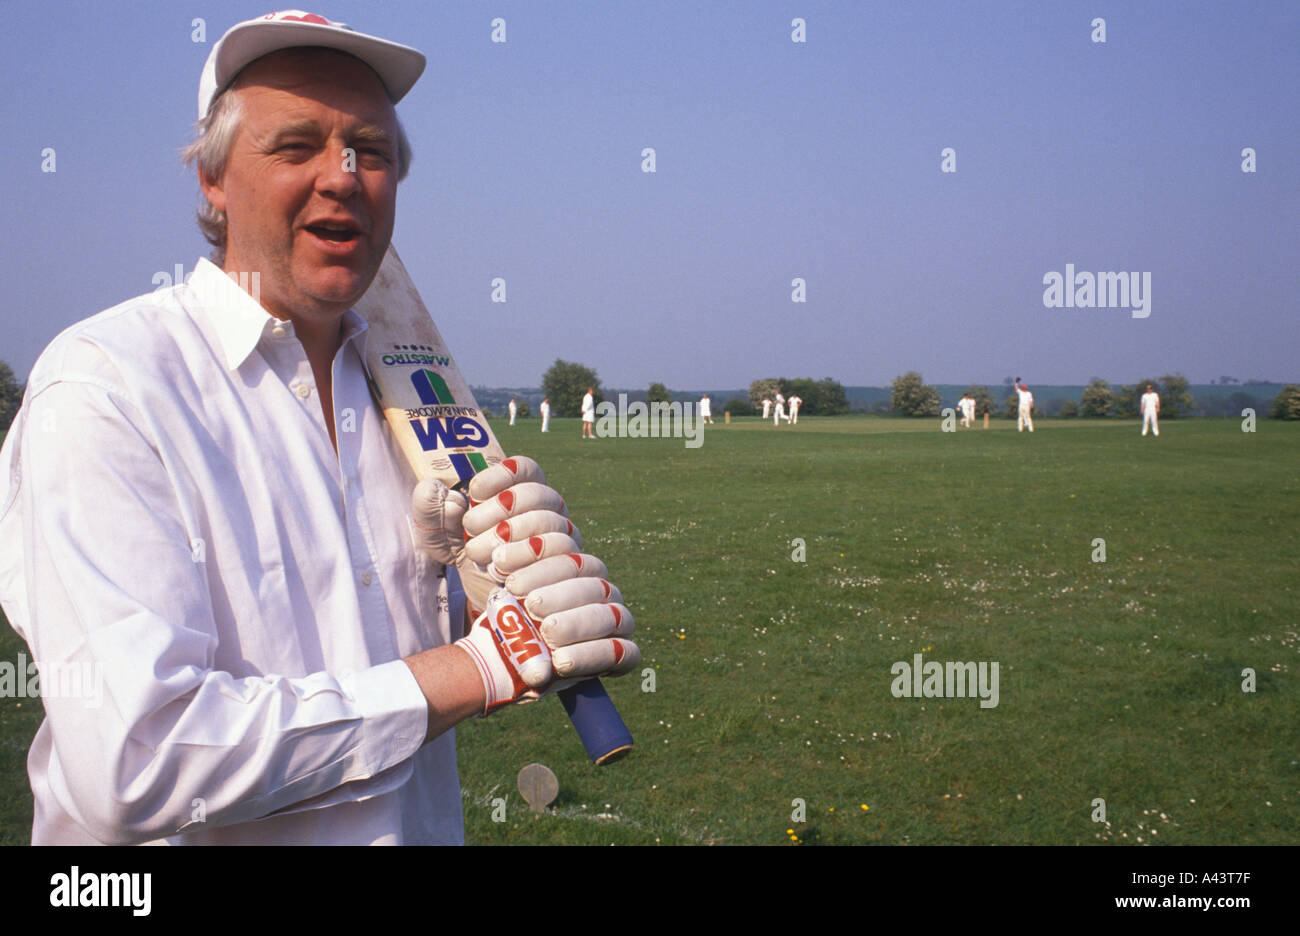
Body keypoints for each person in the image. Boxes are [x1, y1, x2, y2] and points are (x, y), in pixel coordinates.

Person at [0, 12, 637, 846]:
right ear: (214, 180)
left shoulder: (409, 397)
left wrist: (493, 597)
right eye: (296, 145)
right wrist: (473, 668)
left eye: (370, 152)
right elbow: (139, 760)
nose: (343, 177)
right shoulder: (107, 386)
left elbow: (365, 654)